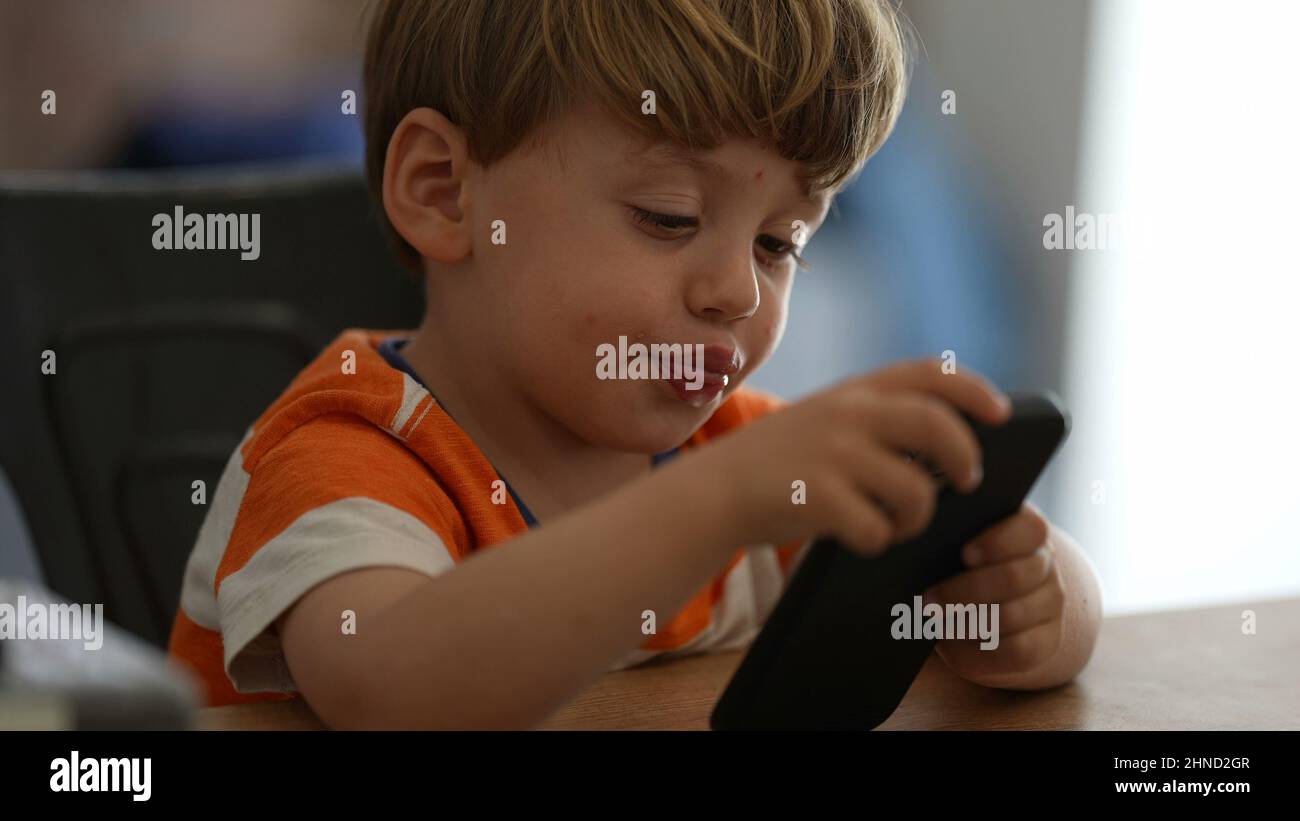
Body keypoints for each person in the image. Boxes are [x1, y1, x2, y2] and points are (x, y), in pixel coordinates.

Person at [168, 0, 1101, 729]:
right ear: (444, 192)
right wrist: (717, 503)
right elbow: (399, 692)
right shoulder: (343, 460)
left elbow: (1062, 614)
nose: (736, 289)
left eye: (780, 243)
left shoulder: (742, 463)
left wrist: (1023, 605)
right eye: (669, 218)